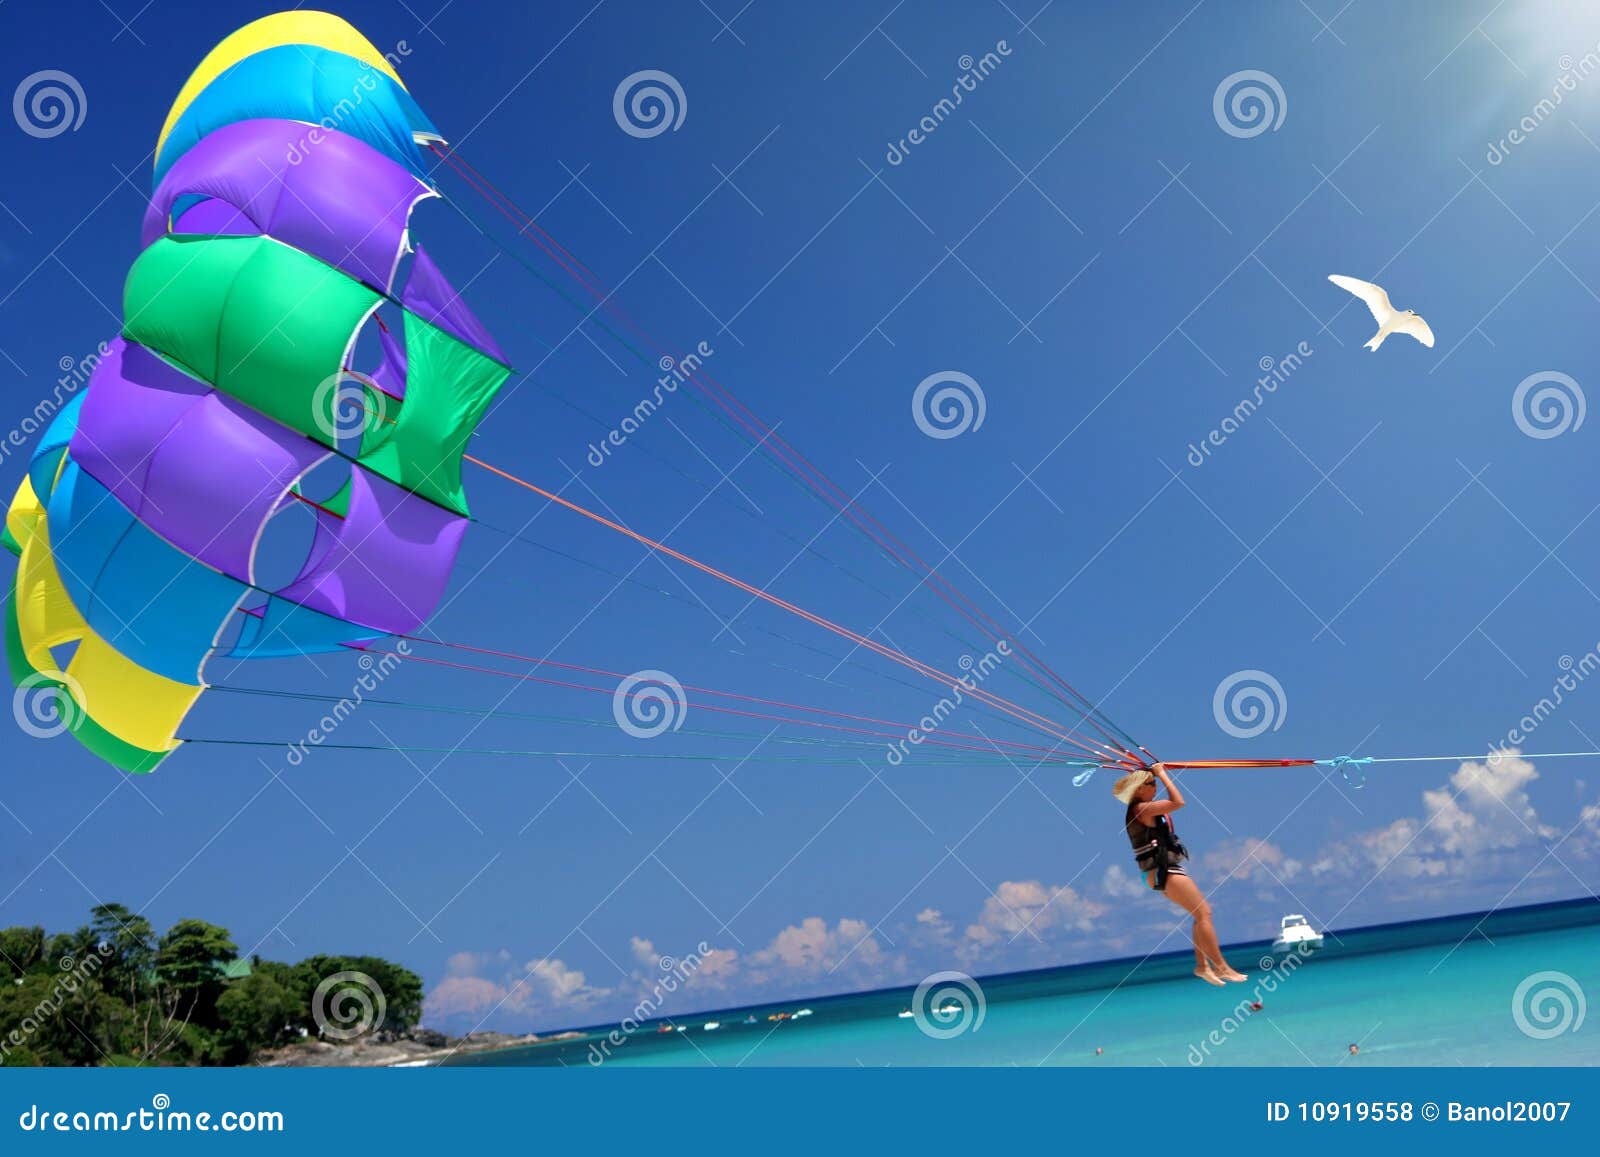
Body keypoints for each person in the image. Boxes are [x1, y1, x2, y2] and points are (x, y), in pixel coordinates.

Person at [1114, 763, 1247, 986]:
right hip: (1162, 870)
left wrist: (1156, 773)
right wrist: (1163, 774)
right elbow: (1178, 802)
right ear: (1138, 790)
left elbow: (1170, 808)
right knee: (1205, 913)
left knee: (1199, 914)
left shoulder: (1144, 808)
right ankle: (1221, 967)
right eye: (1151, 784)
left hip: (1159, 871)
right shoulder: (1141, 809)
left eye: (1155, 783)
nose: (1155, 787)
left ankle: (1202, 966)